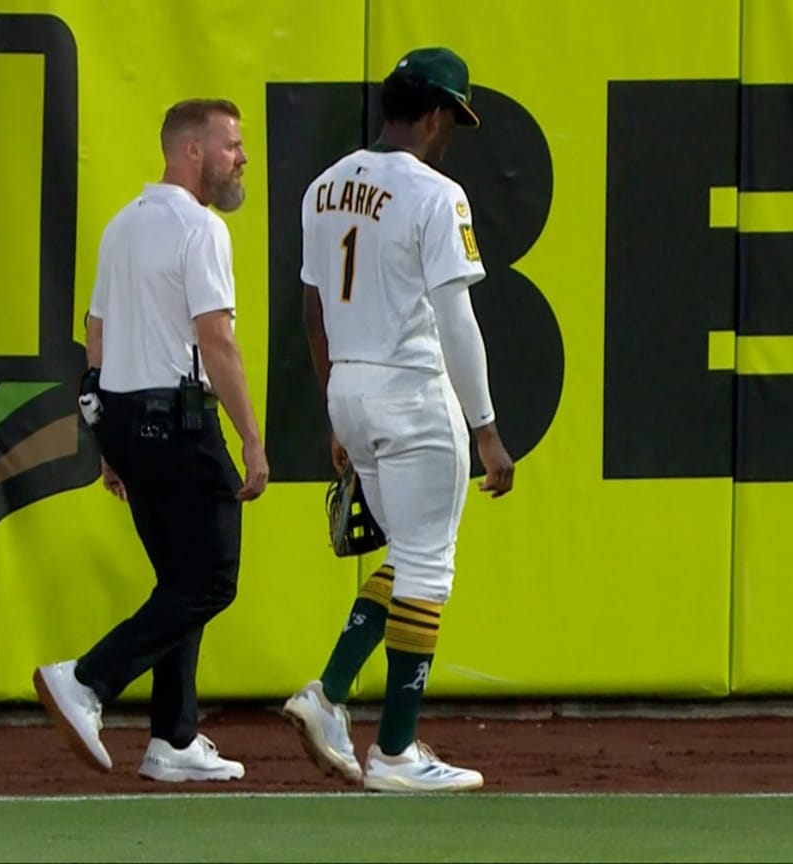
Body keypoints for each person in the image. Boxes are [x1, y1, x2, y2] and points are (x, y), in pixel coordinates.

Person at [281, 47, 516, 793]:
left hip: (350, 387)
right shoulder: (435, 194)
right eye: (454, 118)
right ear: (437, 112)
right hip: (414, 391)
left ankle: (327, 695)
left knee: (406, 554)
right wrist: (485, 427)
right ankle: (396, 753)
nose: (452, 133)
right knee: (428, 565)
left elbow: (314, 313)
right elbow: (457, 316)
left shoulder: (322, 188)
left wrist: (334, 410)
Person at [33, 98, 268, 783]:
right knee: (211, 580)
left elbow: (95, 332)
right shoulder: (200, 229)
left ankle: (174, 738)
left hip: (125, 419)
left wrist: (109, 441)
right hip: (180, 421)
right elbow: (217, 338)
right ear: (190, 152)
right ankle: (86, 680)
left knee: (180, 580)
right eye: (230, 144)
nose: (241, 157)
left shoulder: (122, 226)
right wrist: (251, 440)